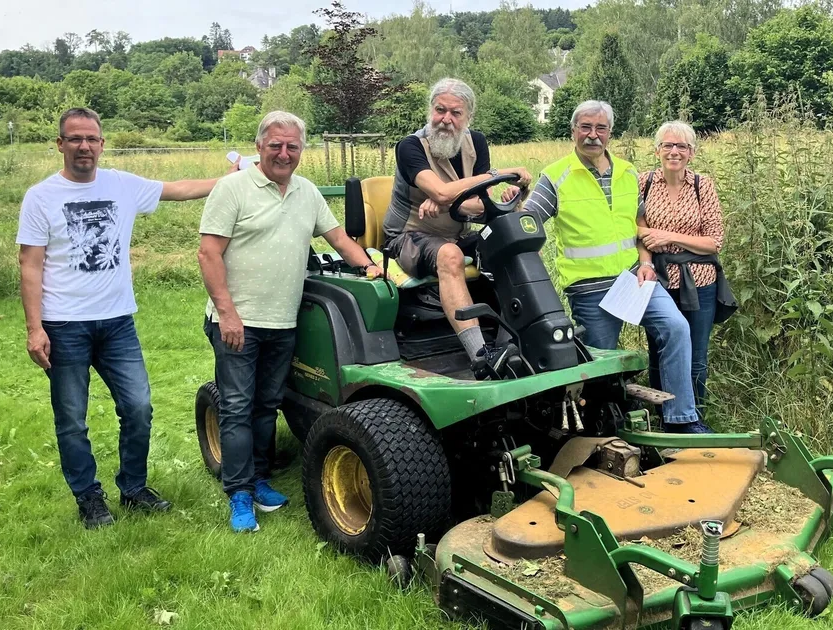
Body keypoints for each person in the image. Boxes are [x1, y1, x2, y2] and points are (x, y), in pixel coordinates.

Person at [17, 107, 230, 529]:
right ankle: (89, 497)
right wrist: (35, 328)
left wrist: (234, 179)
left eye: (91, 139)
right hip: (64, 325)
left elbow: (179, 189)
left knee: (138, 408)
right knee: (72, 419)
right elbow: (30, 264)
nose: (84, 146)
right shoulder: (41, 197)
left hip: (117, 323)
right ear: (60, 144)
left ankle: (133, 489)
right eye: (75, 139)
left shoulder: (122, 185)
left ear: (101, 144)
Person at [197, 111, 383, 533]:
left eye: (292, 146)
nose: (284, 153)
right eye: (275, 145)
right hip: (238, 323)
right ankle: (239, 493)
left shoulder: (306, 192)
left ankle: (259, 479)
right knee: (238, 408)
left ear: (301, 150)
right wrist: (227, 313)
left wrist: (369, 266)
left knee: (267, 405)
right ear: (259, 147)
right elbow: (208, 254)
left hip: (283, 322)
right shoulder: (232, 189)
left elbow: (339, 238)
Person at [510, 101, 710, 433]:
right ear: (573, 131)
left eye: (600, 128)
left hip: (633, 279)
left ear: (610, 133)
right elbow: (527, 224)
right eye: (585, 127)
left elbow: (640, 224)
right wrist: (516, 200)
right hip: (589, 289)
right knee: (600, 366)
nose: (593, 135)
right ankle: (606, 433)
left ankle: (680, 421)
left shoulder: (627, 172)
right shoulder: (556, 176)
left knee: (676, 328)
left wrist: (645, 262)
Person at [382, 77, 533, 376]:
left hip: (456, 233)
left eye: (455, 113)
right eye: (440, 110)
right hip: (409, 236)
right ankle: (481, 356)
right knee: (450, 255)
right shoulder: (410, 147)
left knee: (513, 244)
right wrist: (494, 175)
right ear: (430, 110)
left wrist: (447, 202)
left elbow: (479, 205)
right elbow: (440, 191)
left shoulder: (476, 143)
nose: (446, 119)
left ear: (468, 117)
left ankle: (513, 340)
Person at [638, 121, 733, 421]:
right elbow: (636, 230)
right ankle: (661, 417)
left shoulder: (702, 185)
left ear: (692, 152)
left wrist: (669, 237)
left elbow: (714, 242)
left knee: (696, 355)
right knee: (659, 349)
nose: (674, 152)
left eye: (682, 146)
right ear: (657, 150)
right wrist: (645, 261)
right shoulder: (643, 183)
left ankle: (694, 417)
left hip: (700, 283)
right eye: (667, 145)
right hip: (658, 281)